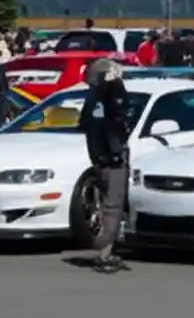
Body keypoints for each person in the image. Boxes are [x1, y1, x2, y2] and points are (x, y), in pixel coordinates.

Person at [78, 58, 132, 273]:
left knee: (105, 204)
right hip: (112, 158)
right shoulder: (113, 93)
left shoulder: (92, 97)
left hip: (97, 156)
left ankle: (107, 250)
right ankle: (103, 248)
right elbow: (119, 122)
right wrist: (117, 151)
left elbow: (85, 124)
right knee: (113, 206)